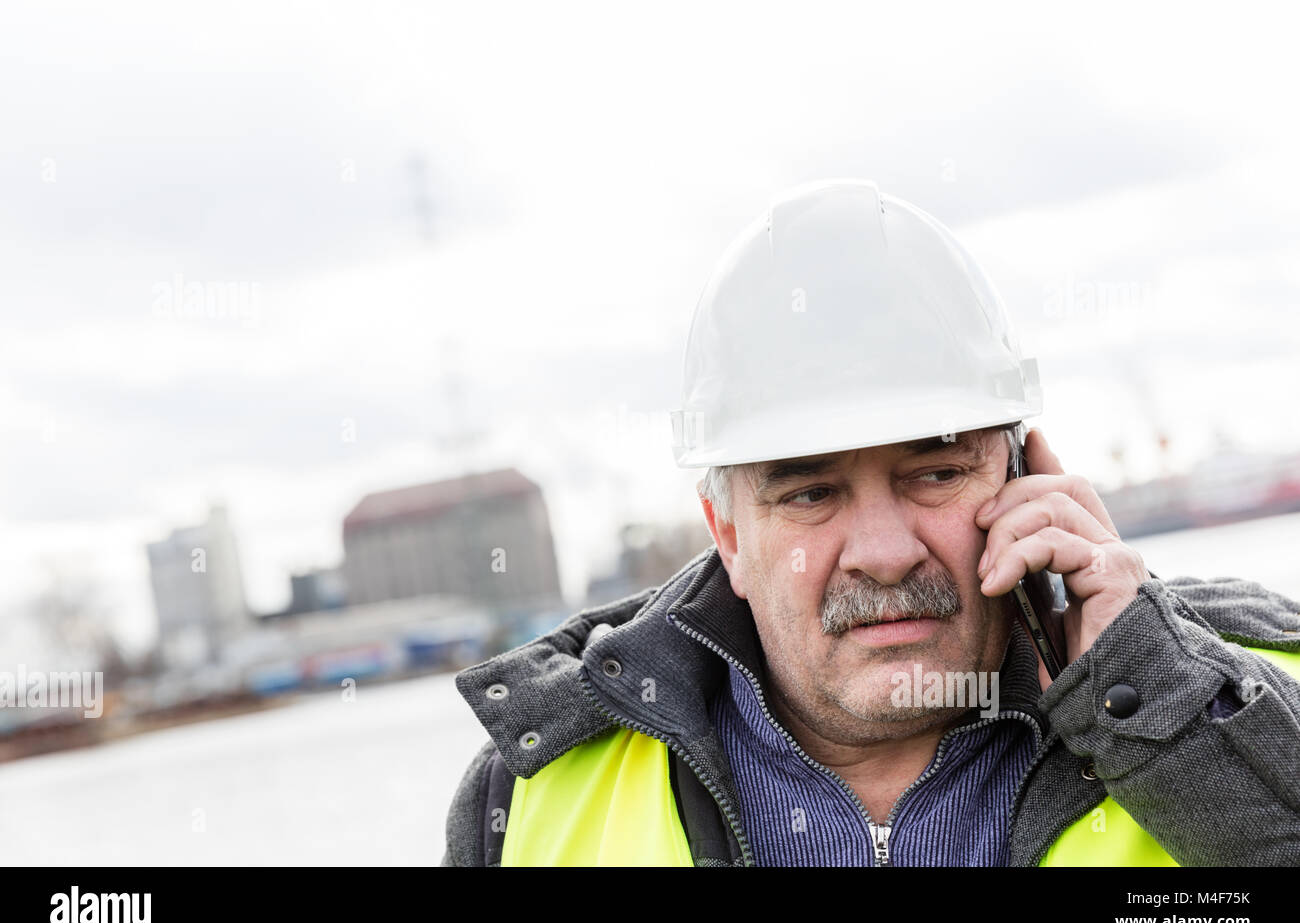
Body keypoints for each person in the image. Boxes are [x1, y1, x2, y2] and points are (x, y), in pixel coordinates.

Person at [442, 180, 1300, 866]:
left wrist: (1164, 702)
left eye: (935, 472)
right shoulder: (527, 801)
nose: (887, 555)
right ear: (730, 535)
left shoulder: (1247, 696)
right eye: (811, 492)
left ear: (1026, 471)